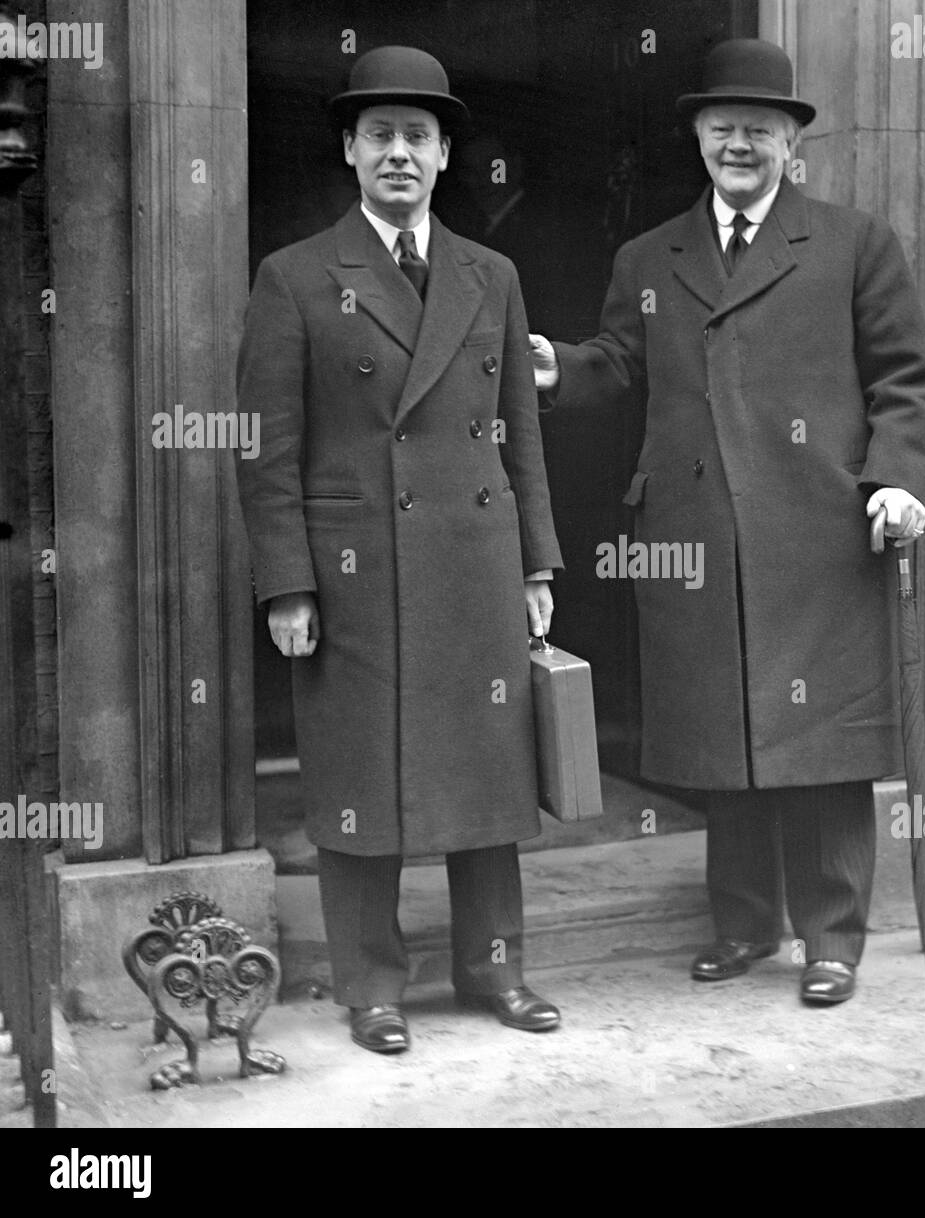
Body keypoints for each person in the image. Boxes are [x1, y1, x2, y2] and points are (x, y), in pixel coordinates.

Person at [531, 39, 925, 1005]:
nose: (739, 145)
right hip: (697, 533)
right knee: (727, 734)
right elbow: (619, 362)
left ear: (793, 143)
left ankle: (831, 940)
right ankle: (745, 925)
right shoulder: (650, 256)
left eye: (760, 129)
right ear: (700, 138)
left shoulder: (853, 243)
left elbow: (905, 379)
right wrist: (556, 368)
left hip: (822, 534)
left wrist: (895, 479)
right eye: (723, 129)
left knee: (822, 741)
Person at [236, 46, 564, 1053]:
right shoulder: (295, 276)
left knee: (490, 769)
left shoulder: (491, 275)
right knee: (358, 774)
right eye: (378, 134)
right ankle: (370, 986)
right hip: (356, 572)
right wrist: (288, 584)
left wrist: (536, 563)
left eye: (417, 136)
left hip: (475, 557)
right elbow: (268, 450)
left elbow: (519, 432)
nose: (398, 154)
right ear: (349, 149)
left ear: (444, 154)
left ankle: (494, 969)